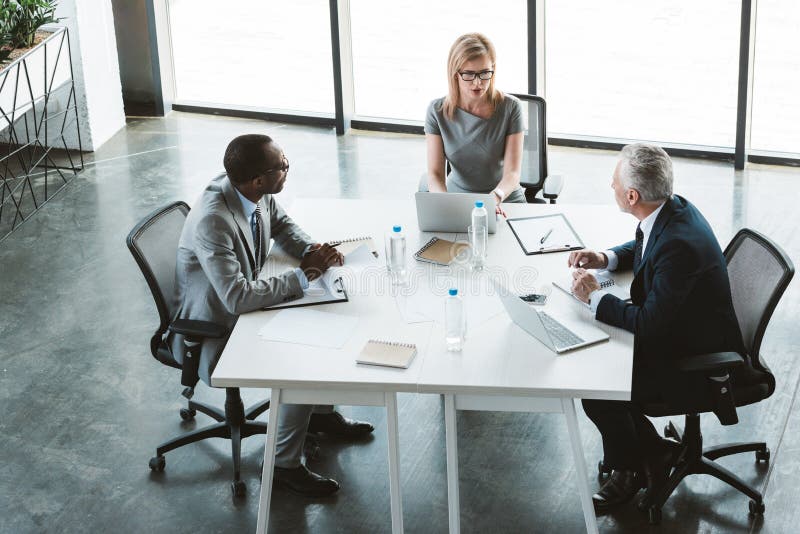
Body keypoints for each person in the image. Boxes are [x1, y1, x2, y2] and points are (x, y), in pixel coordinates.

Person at [170, 134, 374, 497]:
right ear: (258, 180)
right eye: (282, 166)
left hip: (246, 305)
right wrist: (304, 274)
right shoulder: (213, 221)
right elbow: (236, 298)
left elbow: (280, 225)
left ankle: (320, 415)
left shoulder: (251, 191)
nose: (287, 168)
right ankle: (282, 465)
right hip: (215, 329)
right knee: (302, 357)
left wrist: (312, 251)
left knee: (327, 321)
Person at [567, 143, 745, 513]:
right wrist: (605, 258)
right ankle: (654, 451)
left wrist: (595, 297)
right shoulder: (672, 209)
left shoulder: (679, 245)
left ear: (632, 196)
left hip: (695, 360)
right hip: (690, 328)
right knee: (601, 364)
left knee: (598, 388)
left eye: (615, 181)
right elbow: (646, 244)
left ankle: (631, 469)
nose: (611, 185)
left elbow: (648, 323)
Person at [423, 32, 526, 212]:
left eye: (485, 73)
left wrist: (495, 197)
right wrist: (445, 202)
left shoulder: (511, 108)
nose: (478, 83)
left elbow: (512, 173)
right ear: (455, 74)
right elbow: (435, 175)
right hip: (457, 200)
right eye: (469, 74)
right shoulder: (436, 111)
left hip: (504, 198)